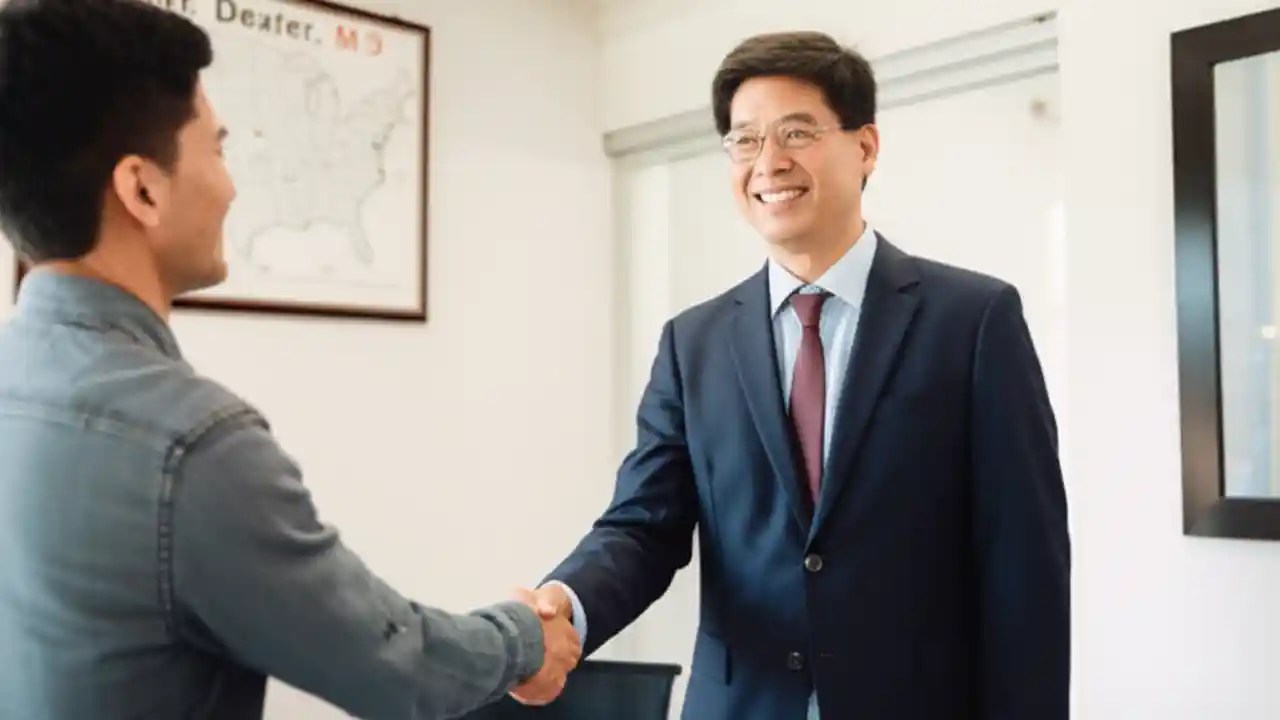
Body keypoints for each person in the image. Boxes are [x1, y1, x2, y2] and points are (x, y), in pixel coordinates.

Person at [0, 1, 579, 718]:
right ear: (142, 188)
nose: (233, 185)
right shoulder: (192, 444)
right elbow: (395, 669)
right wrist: (525, 639)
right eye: (218, 148)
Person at [517, 30, 1070, 719]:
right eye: (744, 141)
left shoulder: (973, 320)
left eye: (796, 133)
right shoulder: (694, 344)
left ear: (865, 146)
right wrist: (561, 607)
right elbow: (643, 527)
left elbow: (1024, 565)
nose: (768, 163)